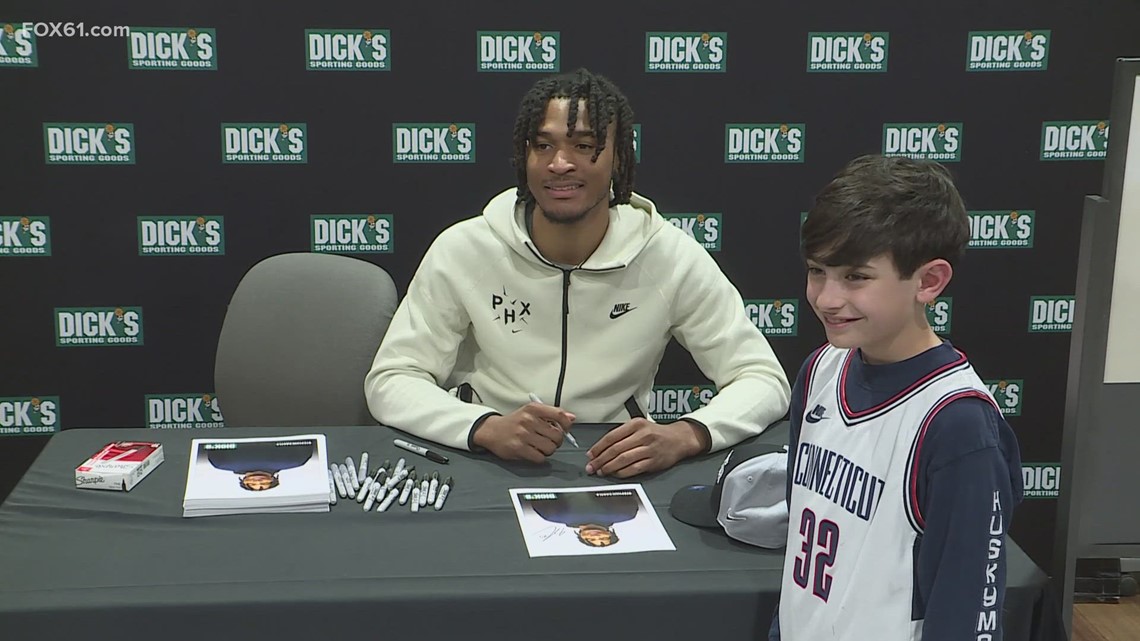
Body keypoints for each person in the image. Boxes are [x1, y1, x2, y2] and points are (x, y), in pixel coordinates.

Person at [365, 68, 790, 477]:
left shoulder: (669, 256)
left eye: (584, 145)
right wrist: (483, 427)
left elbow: (763, 380)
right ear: (523, 155)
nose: (560, 164)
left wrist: (686, 434)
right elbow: (392, 379)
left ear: (619, 157)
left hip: (615, 463)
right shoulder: (464, 249)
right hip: (484, 458)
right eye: (543, 145)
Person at [769, 155, 1023, 640]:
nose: (826, 297)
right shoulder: (822, 368)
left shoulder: (957, 425)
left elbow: (967, 611)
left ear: (929, 282)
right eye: (817, 271)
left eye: (856, 277)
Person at [526, 489, 640, 547]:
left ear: (581, 537)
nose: (595, 536)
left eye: (591, 540)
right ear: (610, 534)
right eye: (604, 538)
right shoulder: (626, 513)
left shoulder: (552, 516)